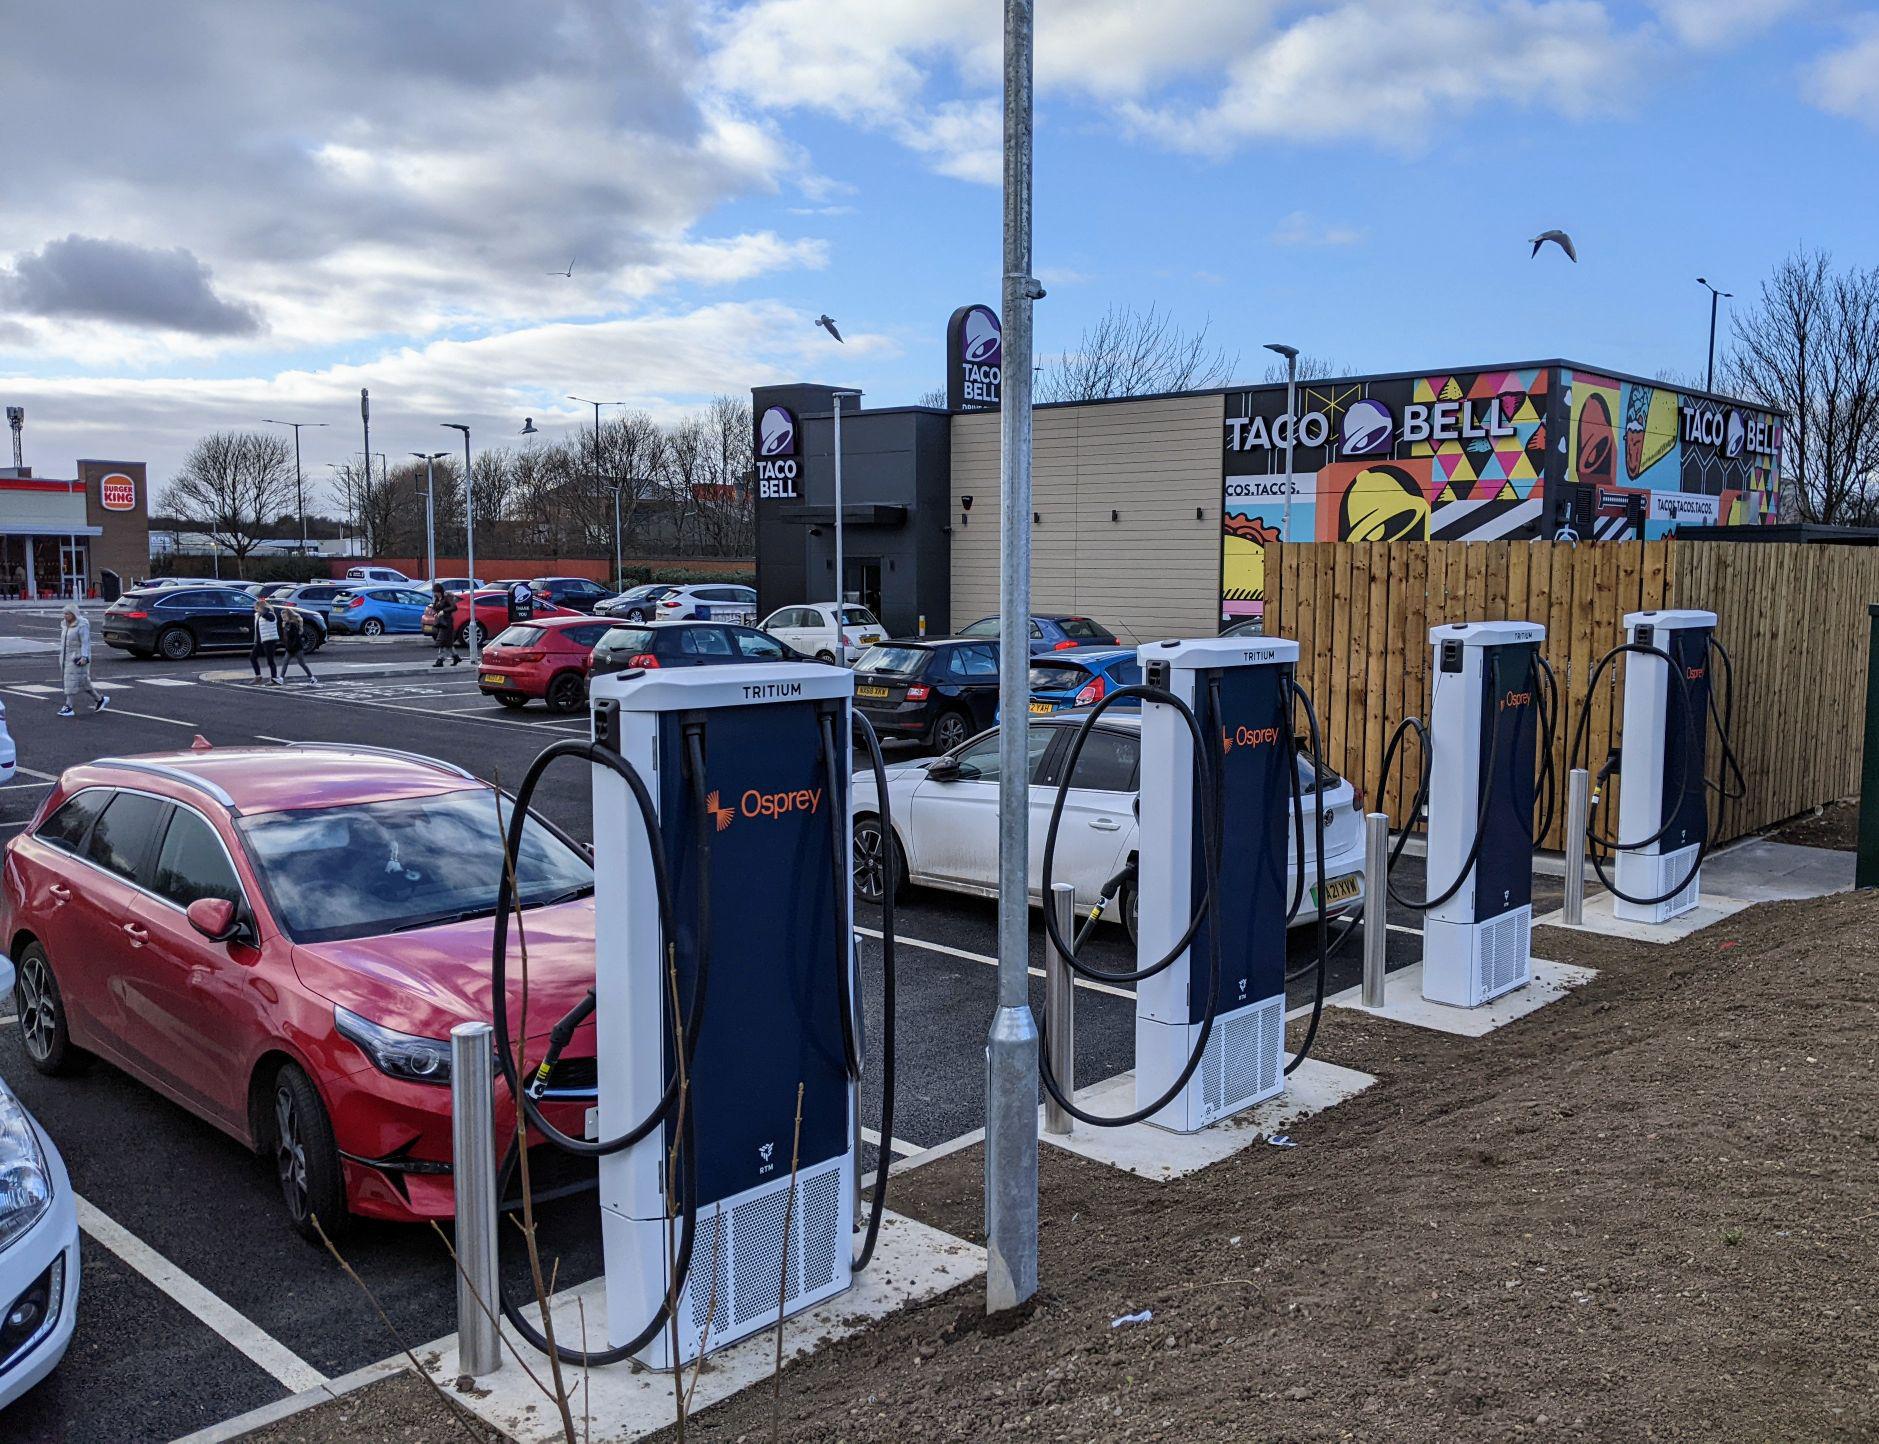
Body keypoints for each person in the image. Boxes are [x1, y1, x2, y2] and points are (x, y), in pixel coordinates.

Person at [57, 605, 109, 717]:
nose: (65, 616)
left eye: (67, 614)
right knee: (83, 682)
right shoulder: (65, 625)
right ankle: (99, 699)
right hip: (66, 657)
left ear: (74, 614)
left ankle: (68, 707)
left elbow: (85, 642)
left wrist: (84, 657)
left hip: (77, 658)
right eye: (64, 614)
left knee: (70, 681)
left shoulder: (82, 625)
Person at [279, 603, 318, 684]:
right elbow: (285, 637)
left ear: (289, 616)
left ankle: (312, 678)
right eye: (282, 617)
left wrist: (285, 628)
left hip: (296, 648)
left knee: (302, 663)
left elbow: (293, 636)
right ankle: (281, 678)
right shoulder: (287, 625)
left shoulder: (293, 624)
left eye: (285, 617)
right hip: (290, 647)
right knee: (285, 662)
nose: (283, 619)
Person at [250, 598, 281, 685]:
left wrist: (261, 612)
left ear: (261, 607)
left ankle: (274, 678)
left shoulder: (270, 614)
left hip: (269, 640)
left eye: (256, 607)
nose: (255, 609)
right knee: (252, 657)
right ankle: (258, 676)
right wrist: (248, 630)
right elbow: (257, 627)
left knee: (270, 660)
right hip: (260, 641)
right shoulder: (257, 615)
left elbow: (268, 617)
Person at [432, 583, 463, 668]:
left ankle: (440, 660)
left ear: (440, 591)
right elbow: (435, 608)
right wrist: (434, 612)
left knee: (441, 641)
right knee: (448, 643)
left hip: (447, 623)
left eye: (436, 592)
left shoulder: (446, 598)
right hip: (440, 623)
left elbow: (454, 607)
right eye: (434, 592)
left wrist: (444, 611)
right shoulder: (437, 599)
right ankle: (456, 657)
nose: (435, 594)